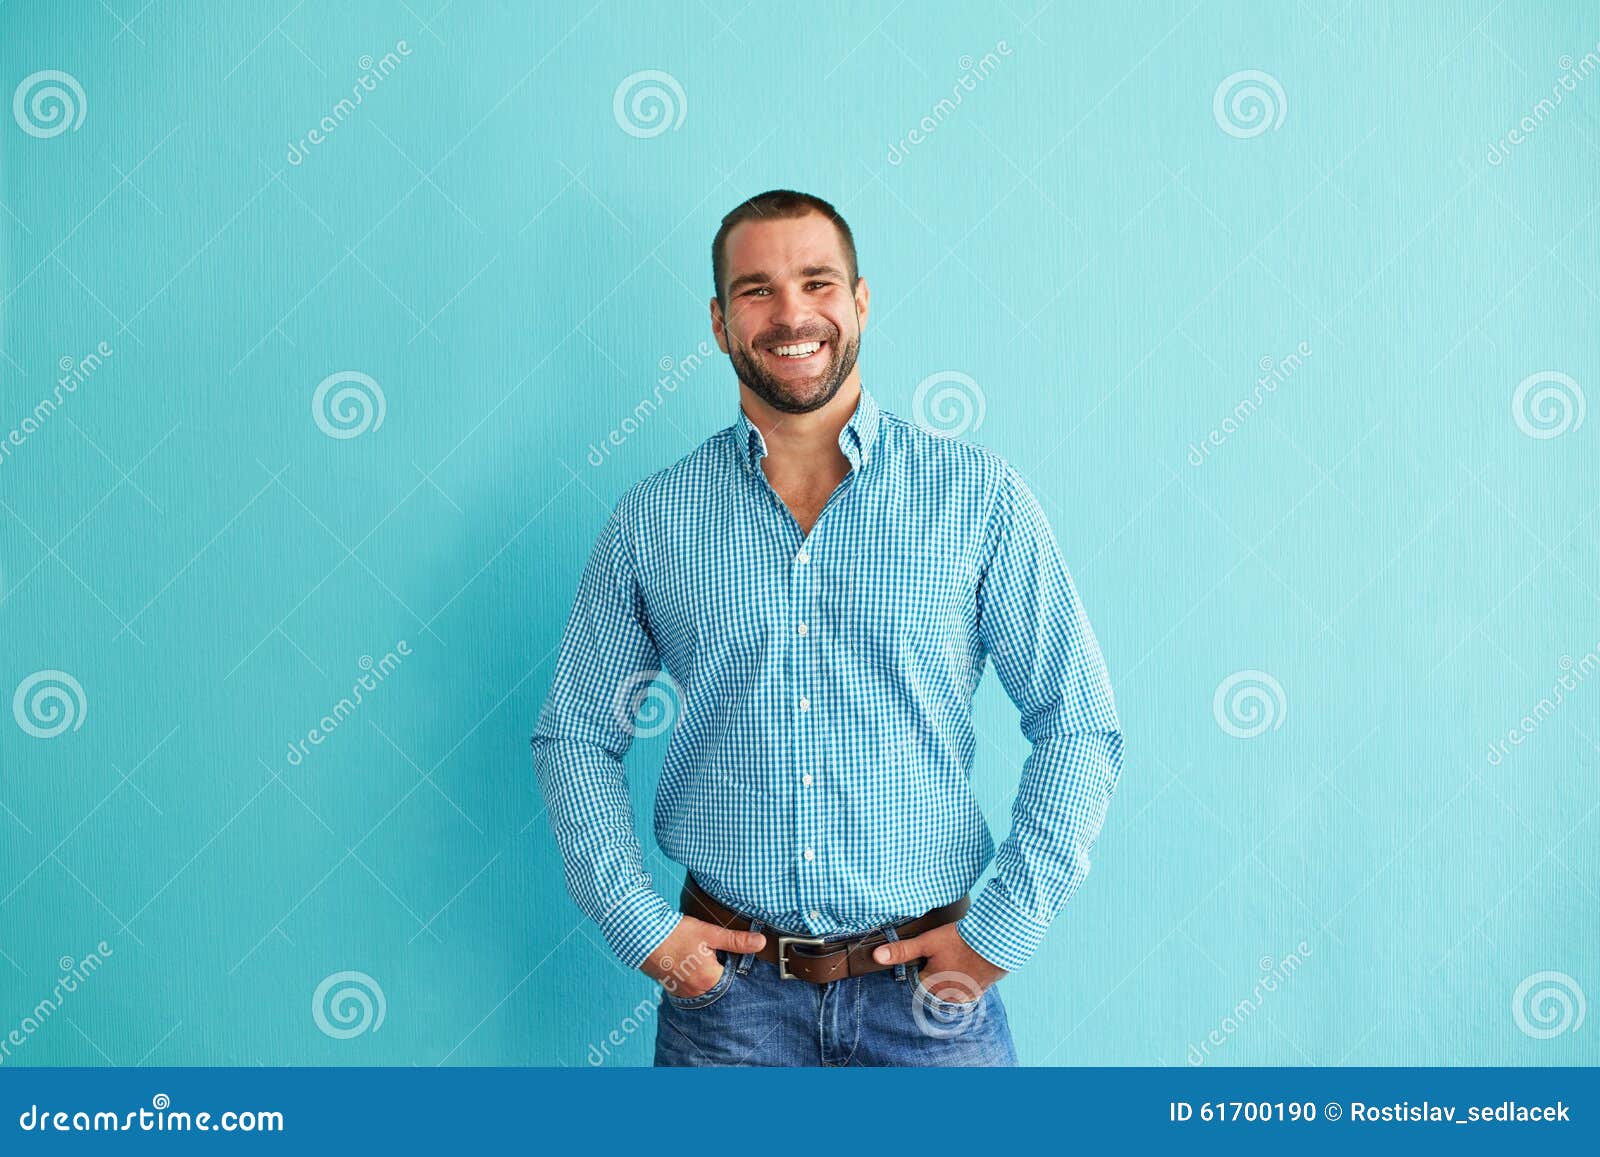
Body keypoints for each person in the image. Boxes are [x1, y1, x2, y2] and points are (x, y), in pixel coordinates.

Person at [531, 189, 1123, 1066]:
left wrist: (1002, 931)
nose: (792, 313)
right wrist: (643, 928)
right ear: (721, 322)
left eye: (816, 282)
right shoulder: (653, 520)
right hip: (727, 1013)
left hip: (929, 1007)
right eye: (757, 290)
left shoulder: (976, 498)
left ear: (859, 301)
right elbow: (574, 735)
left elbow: (1079, 725)